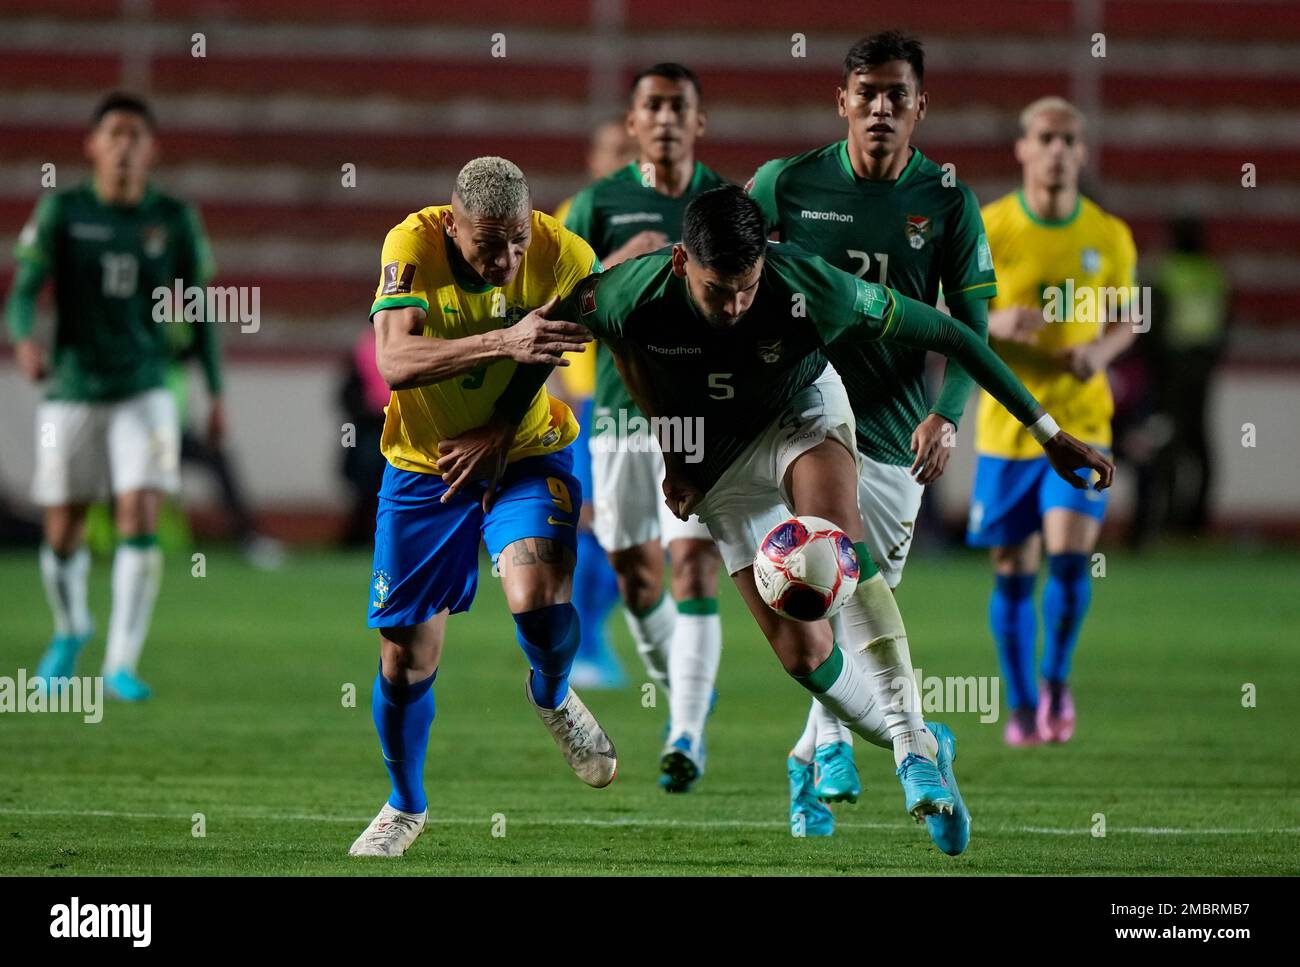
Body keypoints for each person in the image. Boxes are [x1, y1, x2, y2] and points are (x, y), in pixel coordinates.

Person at [468, 185, 1114, 855]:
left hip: (800, 410)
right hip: (715, 451)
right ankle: (924, 739)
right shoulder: (628, 291)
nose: (735, 305)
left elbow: (949, 331)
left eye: (747, 287)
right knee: (801, 653)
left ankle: (909, 758)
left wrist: (1047, 431)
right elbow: (544, 335)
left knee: (835, 548)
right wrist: (500, 427)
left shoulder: (811, 285)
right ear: (681, 259)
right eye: (719, 290)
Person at [748, 29, 996, 836]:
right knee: (828, 594)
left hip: (891, 435)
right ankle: (905, 748)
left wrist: (947, 413)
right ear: (842, 101)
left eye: (897, 95)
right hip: (798, 424)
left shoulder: (948, 203)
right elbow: (728, 270)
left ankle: (813, 755)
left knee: (844, 600)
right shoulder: (787, 183)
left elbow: (973, 328)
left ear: (922, 107)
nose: (881, 107)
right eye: (868, 93)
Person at [349, 156, 615, 858]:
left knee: (541, 604)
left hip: (526, 448)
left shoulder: (565, 257)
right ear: (451, 223)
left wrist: (499, 430)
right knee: (407, 658)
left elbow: (541, 358)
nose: (508, 258)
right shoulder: (409, 245)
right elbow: (395, 362)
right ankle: (405, 803)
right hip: (425, 465)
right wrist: (504, 336)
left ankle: (553, 693)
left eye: (518, 239)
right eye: (488, 243)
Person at [5, 92, 221, 702]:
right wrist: (23, 339)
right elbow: (24, 291)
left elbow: (201, 310)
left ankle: (121, 663)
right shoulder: (61, 212)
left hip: (145, 386)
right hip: (72, 387)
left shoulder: (174, 218)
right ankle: (71, 628)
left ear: (150, 149)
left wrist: (217, 388)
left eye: (136, 134)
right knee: (64, 525)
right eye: (115, 133)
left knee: (139, 513)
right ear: (92, 145)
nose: (125, 144)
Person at [562, 63, 730, 792]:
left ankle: (685, 729)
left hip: (700, 415)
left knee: (692, 567)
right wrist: (610, 269)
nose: (664, 118)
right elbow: (553, 305)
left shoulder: (726, 203)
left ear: (699, 122)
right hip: (621, 415)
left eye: (678, 106)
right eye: (651, 106)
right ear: (632, 124)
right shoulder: (597, 204)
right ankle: (683, 685)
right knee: (636, 578)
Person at [970, 96, 1138, 746]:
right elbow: (948, 312)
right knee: (1013, 565)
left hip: (1082, 418)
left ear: (1083, 152)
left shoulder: (1108, 235)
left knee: (1069, 558)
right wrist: (996, 323)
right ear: (1022, 149)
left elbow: (1128, 316)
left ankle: (1058, 680)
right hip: (1008, 425)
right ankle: (1020, 704)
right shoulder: (989, 227)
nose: (1059, 150)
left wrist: (1100, 351)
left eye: (1070, 139)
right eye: (1047, 137)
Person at [550, 118, 636, 690]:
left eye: (633, 151)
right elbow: (543, 312)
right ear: (593, 159)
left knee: (630, 529)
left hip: (641, 407)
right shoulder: (567, 222)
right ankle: (582, 645)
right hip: (582, 400)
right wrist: (553, 394)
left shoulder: (661, 218)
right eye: (616, 151)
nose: (626, 160)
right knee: (586, 522)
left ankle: (596, 638)